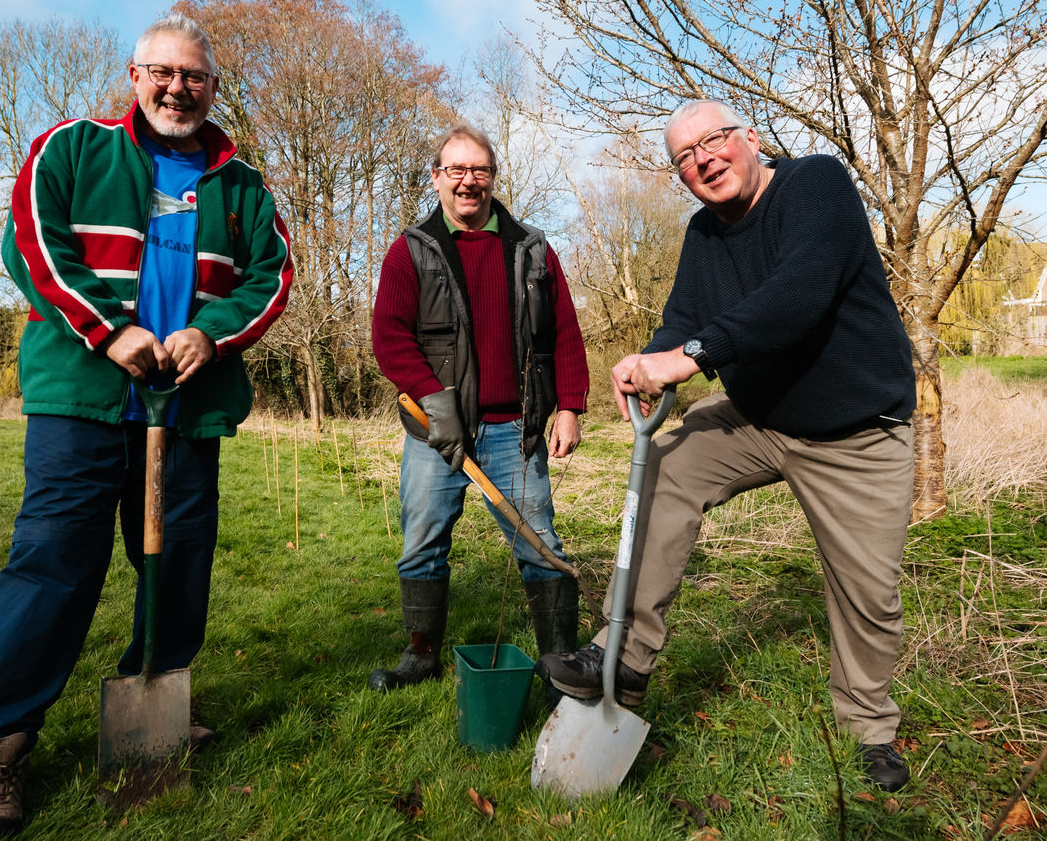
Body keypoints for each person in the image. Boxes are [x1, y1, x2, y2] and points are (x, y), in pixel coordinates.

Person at [0, 14, 292, 841]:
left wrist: (211, 334)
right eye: (164, 73)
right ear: (135, 76)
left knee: (177, 559)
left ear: (213, 88)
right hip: (83, 401)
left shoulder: (241, 182)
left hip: (187, 406)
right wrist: (109, 331)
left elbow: (271, 278)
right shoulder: (71, 148)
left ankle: (160, 694)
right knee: (53, 562)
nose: (179, 88)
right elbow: (33, 246)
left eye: (196, 77)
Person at [537, 100, 917, 792]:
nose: (702, 160)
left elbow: (797, 295)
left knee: (867, 595)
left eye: (712, 141)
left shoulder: (816, 186)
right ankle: (621, 656)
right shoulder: (702, 235)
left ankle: (870, 730)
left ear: (750, 139)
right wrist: (647, 361)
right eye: (684, 156)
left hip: (859, 431)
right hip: (761, 418)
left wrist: (690, 356)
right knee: (665, 467)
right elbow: (682, 320)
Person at [368, 124, 589, 695]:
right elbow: (389, 336)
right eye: (456, 170)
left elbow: (564, 333)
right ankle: (421, 657)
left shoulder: (533, 248)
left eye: (480, 170)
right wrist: (432, 398)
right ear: (438, 178)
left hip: (514, 430)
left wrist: (570, 407)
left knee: (539, 544)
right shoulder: (411, 249)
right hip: (434, 432)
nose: (469, 182)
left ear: (493, 177)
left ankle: (560, 663)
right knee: (422, 543)